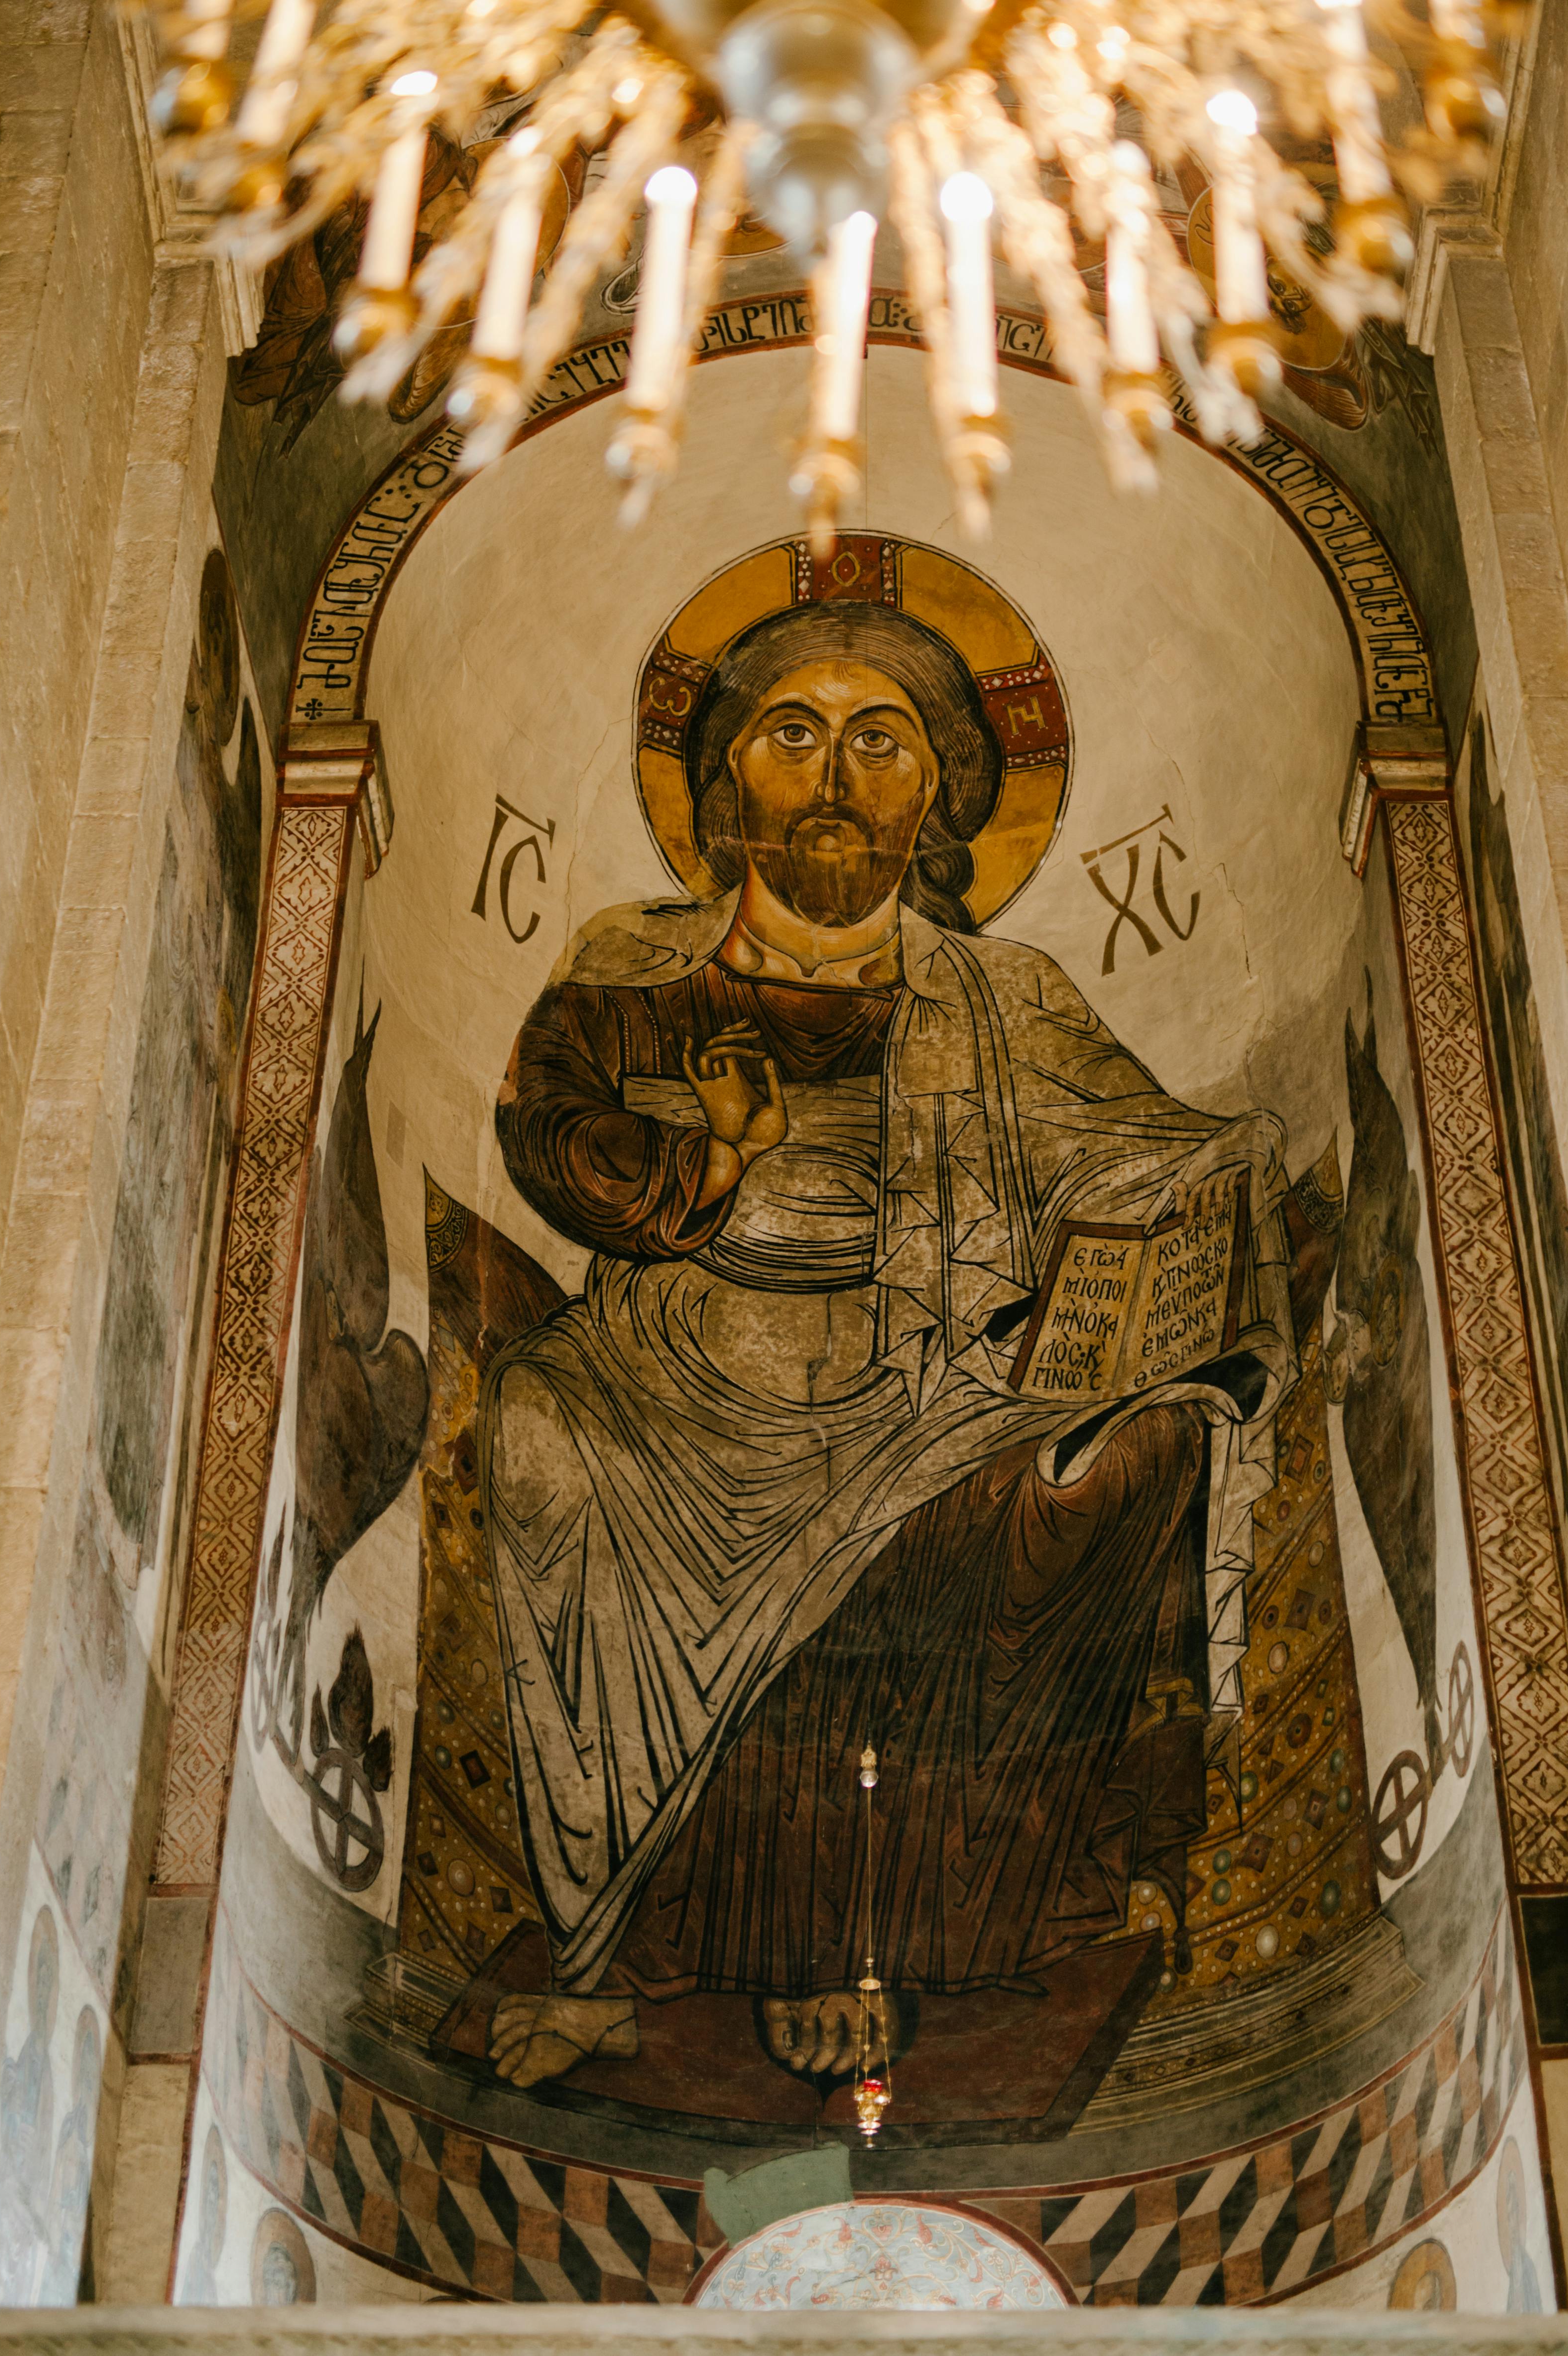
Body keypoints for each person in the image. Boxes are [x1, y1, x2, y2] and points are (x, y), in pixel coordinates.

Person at [479, 601, 1295, 2087]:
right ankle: (664, 1948)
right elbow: (545, 1135)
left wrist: (1212, 1170)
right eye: (795, 734)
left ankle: (932, 1927)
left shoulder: (1008, 995)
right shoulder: (634, 960)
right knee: (542, 1433)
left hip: (937, 1378)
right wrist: (706, 1170)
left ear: (936, 796)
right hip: (677, 1366)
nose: (837, 774)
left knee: (1107, 1467)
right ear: (726, 786)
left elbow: (1122, 1150)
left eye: (880, 741)